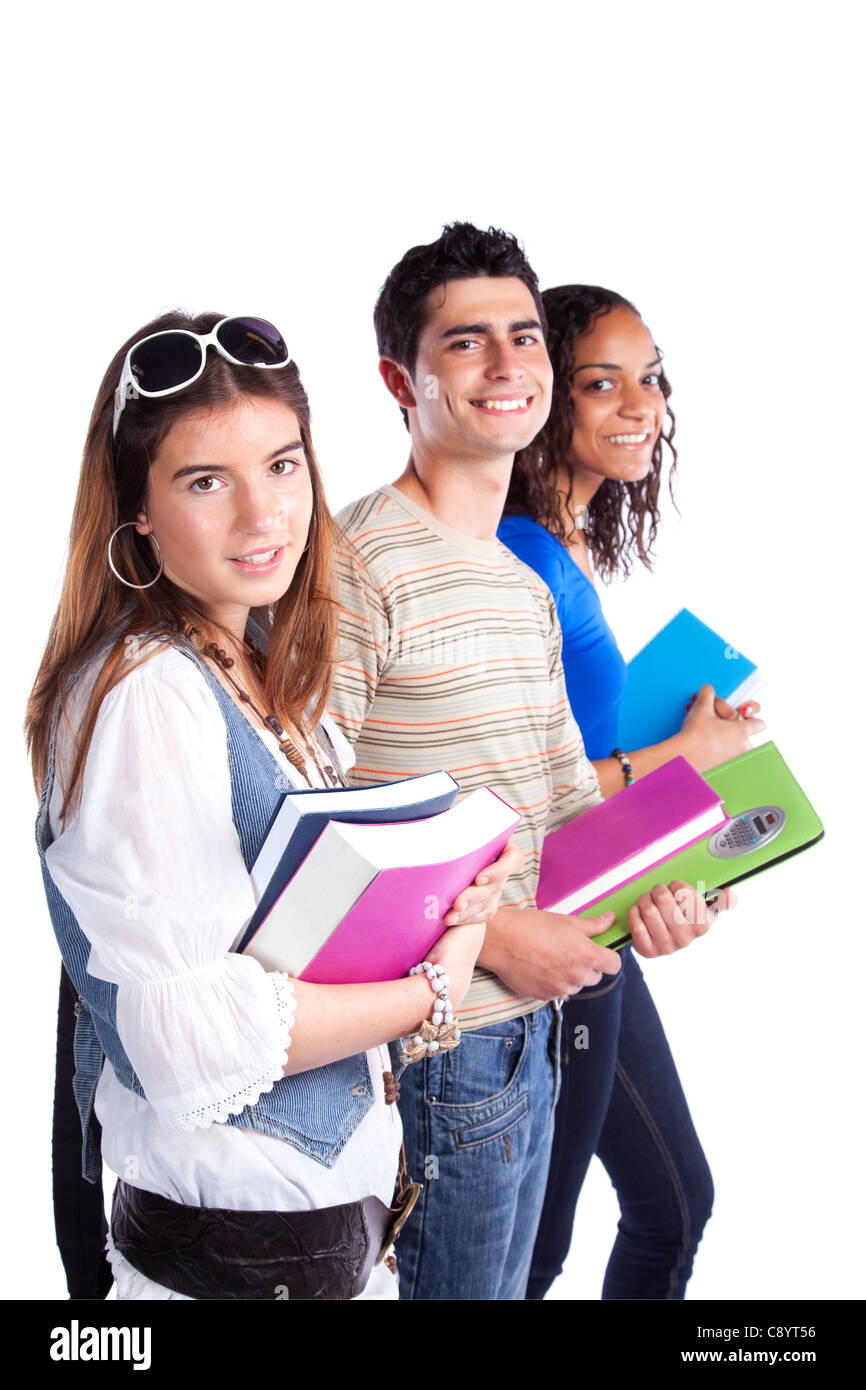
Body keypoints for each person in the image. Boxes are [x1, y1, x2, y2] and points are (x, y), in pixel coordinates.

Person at [27, 310, 515, 1301]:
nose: (263, 517)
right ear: (138, 515)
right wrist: (435, 986)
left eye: (282, 465)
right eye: (207, 481)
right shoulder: (150, 695)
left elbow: (276, 948)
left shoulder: (247, 667)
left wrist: (439, 900)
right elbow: (185, 1043)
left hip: (318, 1257)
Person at [328, 225, 733, 1301]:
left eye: (522, 336)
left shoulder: (512, 584)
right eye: (466, 343)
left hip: (531, 1033)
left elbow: (557, 819)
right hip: (439, 1044)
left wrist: (667, 888)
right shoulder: (350, 565)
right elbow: (302, 833)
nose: (507, 365)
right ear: (398, 380)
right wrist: (502, 931)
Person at [498, 284, 764, 1299]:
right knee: (532, 1248)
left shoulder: (561, 549)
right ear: (541, 402)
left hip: (592, 925)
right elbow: (528, 788)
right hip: (542, 942)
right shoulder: (520, 556)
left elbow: (582, 755)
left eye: (648, 377)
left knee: (671, 1203)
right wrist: (682, 760)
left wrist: (696, 810)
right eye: (599, 381)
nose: (638, 402)